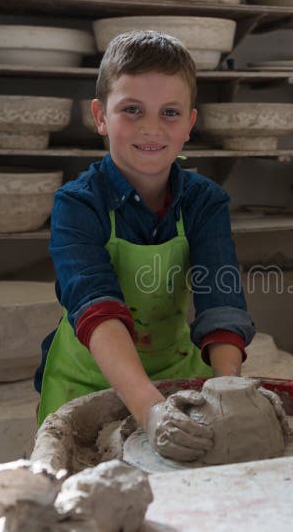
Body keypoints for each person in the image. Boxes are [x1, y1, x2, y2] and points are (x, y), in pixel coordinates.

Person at [34, 30, 256, 462]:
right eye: (131, 110)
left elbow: (220, 299)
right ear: (100, 116)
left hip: (176, 371)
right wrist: (150, 410)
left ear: (190, 124)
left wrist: (229, 393)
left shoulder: (204, 201)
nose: (151, 128)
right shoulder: (78, 204)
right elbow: (95, 305)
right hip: (88, 379)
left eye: (169, 112)